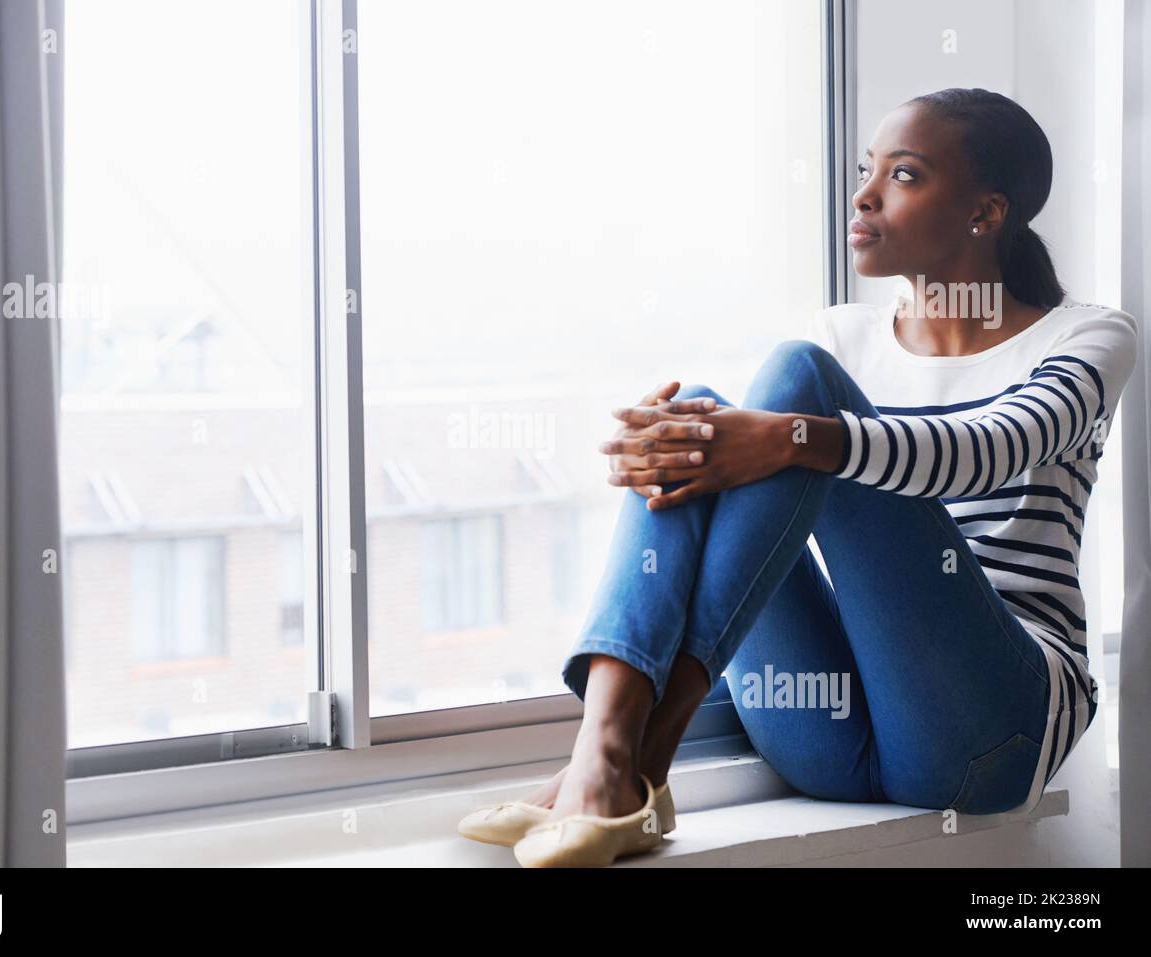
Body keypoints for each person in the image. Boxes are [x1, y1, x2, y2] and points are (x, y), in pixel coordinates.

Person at [458, 87, 1140, 868]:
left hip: (985, 732)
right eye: (865, 170)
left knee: (789, 387)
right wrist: (675, 445)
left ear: (985, 213)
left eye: (905, 176)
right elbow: (776, 448)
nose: (864, 195)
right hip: (827, 733)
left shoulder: (1086, 335)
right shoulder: (844, 335)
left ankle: (629, 760)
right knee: (708, 415)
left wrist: (789, 434)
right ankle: (615, 757)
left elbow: (993, 445)